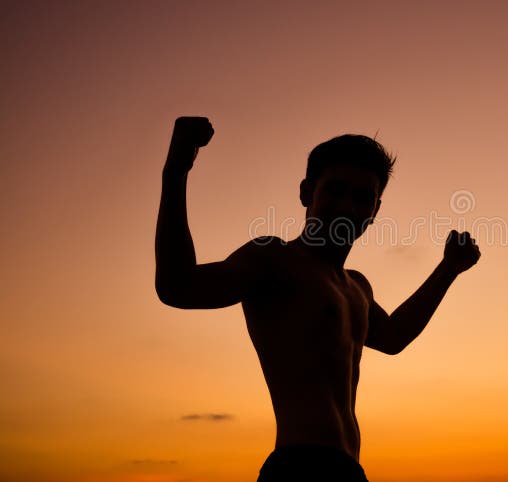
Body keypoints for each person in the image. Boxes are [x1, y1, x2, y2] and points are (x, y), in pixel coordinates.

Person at [155, 117, 481, 481]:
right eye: (335, 191)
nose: (347, 207)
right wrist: (177, 168)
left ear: (375, 211)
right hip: (299, 465)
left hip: (349, 469)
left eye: (362, 198)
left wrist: (448, 269)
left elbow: (393, 337)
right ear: (306, 192)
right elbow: (177, 286)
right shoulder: (274, 259)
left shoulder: (357, 286)